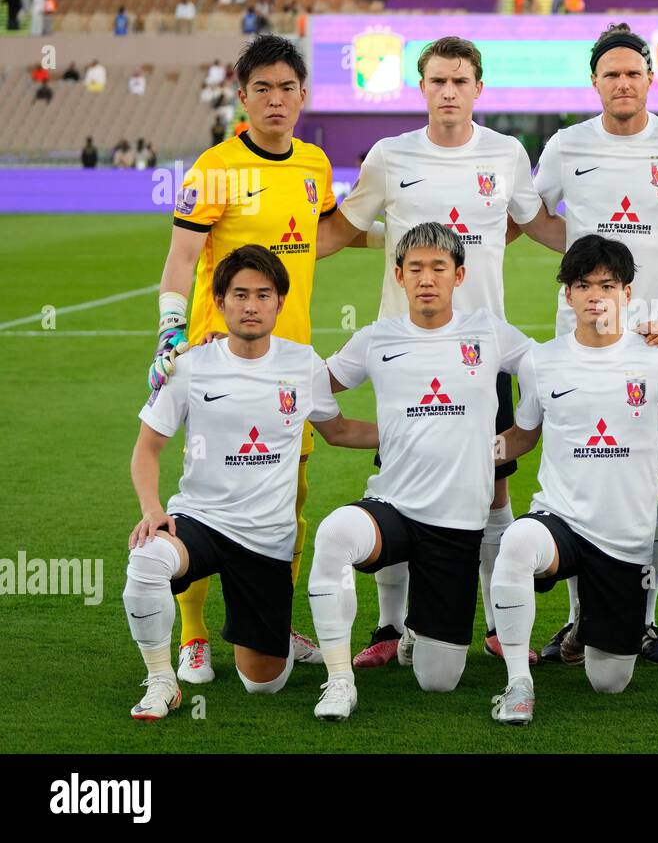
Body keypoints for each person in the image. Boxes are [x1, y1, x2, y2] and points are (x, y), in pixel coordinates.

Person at [321, 36, 567, 669]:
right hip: (406, 349)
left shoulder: (507, 153)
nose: (449, 91)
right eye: (437, 81)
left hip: (484, 351)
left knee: (491, 489)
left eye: (460, 81)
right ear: (422, 87)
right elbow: (346, 230)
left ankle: (493, 620)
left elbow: (534, 223)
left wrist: (619, 249)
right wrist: (266, 243)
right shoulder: (390, 155)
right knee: (398, 482)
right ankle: (388, 628)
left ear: (478, 89)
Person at [150, 35, 344, 684]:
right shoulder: (214, 166)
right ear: (242, 96)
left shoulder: (314, 164)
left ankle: (270, 621)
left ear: (303, 95)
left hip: (290, 367)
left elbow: (323, 238)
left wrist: (400, 217)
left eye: (287, 87)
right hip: (219, 362)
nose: (276, 99)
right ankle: (195, 635)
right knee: (209, 505)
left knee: (287, 505)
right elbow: (181, 257)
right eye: (262, 88)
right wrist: (171, 332)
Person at [487, 236, 658, 725]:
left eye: (607, 284)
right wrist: (464, 455)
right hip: (558, 519)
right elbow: (521, 437)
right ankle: (519, 683)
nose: (595, 295)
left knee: (609, 683)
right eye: (583, 285)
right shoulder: (542, 360)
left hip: (623, 540)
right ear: (568, 295)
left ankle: (587, 626)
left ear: (628, 292)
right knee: (518, 541)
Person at [123, 246, 377, 720]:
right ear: (219, 301)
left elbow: (338, 431)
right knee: (146, 559)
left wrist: (407, 432)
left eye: (263, 295)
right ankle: (161, 680)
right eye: (240, 294)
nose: (251, 305)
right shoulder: (190, 365)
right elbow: (147, 448)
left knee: (263, 685)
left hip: (265, 539)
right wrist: (153, 511)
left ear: (281, 302)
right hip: (199, 519)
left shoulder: (303, 364)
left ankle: (272, 640)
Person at [531, 23, 658, 665]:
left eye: (633, 72)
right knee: (583, 474)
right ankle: (581, 622)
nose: (623, 83)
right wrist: (587, 270)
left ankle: (643, 620)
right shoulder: (565, 145)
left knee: (651, 478)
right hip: (578, 341)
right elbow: (531, 213)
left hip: (657, 337)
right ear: (596, 83)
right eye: (611, 74)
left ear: (649, 78)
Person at [308, 224, 532, 719]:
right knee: (333, 535)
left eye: (438, 268)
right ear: (398, 276)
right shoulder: (375, 338)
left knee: (437, 681)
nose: (426, 278)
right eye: (415, 269)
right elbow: (306, 381)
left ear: (459, 275)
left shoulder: (490, 331)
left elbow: (556, 368)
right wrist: (222, 351)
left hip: (456, 525)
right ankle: (339, 679)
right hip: (391, 507)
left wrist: (517, 437)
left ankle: (414, 634)